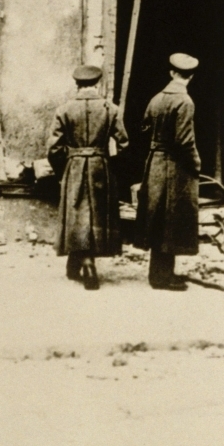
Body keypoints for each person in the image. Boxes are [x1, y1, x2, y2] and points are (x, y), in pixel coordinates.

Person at [47, 64, 129, 290]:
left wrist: (61, 169)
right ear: (98, 84)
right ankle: (78, 264)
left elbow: (53, 148)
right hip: (101, 165)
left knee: (77, 213)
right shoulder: (110, 109)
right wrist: (111, 166)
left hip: (74, 165)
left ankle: (87, 264)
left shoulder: (64, 109)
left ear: (77, 84)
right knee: (97, 214)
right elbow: (124, 144)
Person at [134, 53, 200, 291]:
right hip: (175, 166)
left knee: (157, 218)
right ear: (190, 76)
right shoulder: (185, 102)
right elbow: (184, 141)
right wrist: (196, 164)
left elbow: (143, 129)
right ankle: (162, 278)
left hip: (155, 163)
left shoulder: (156, 98)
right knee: (171, 219)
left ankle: (160, 273)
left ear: (172, 73)